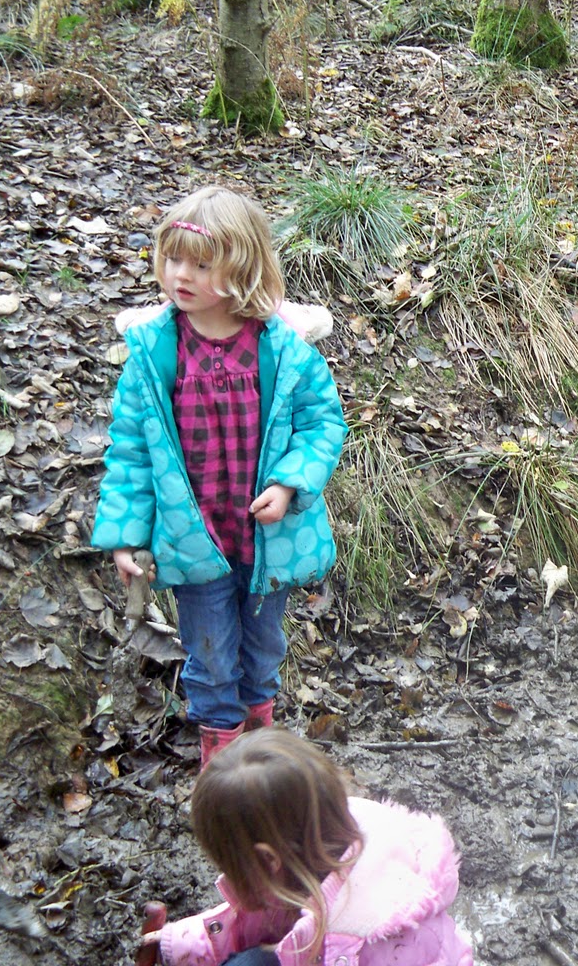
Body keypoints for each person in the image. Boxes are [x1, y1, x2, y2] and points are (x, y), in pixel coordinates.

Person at [91, 186, 347, 768]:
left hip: (267, 537)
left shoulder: (282, 350)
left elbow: (321, 424)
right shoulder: (155, 354)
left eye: (202, 264)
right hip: (192, 536)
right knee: (209, 652)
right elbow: (129, 452)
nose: (181, 275)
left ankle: (262, 747)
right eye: (172, 258)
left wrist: (288, 483)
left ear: (244, 269)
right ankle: (223, 763)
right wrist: (128, 533)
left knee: (262, 649)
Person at [146, 730, 474, 965]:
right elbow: (262, 916)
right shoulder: (321, 841)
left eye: (231, 868)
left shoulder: (360, 939)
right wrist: (185, 945)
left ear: (268, 859)